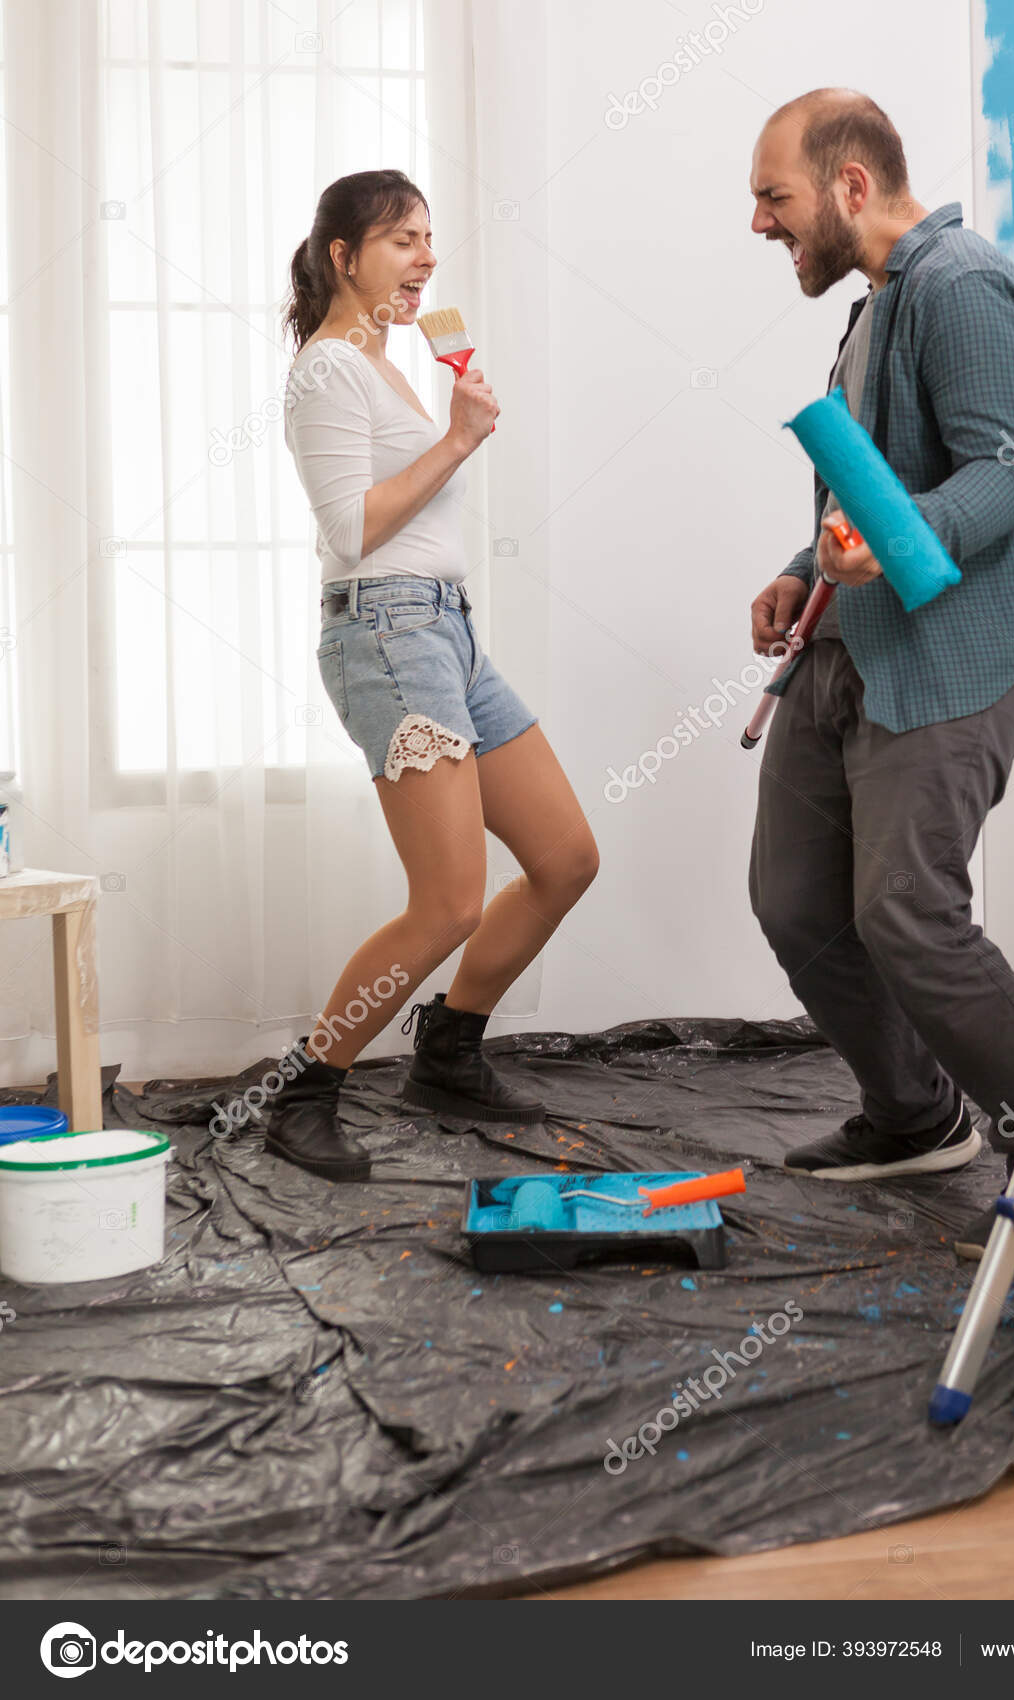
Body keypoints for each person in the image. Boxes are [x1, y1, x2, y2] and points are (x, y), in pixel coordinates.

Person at [745, 91, 1014, 1259]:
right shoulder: (876, 303)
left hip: (947, 664)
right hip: (843, 652)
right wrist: (800, 568)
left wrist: (897, 532)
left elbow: (1003, 479)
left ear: (850, 184)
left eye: (773, 197)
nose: (759, 224)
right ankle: (915, 1118)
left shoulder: (960, 286)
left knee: (909, 914)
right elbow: (866, 491)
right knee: (796, 902)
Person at [272, 169, 598, 1181]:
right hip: (386, 631)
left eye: (428, 239)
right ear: (342, 256)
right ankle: (304, 1092)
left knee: (564, 857)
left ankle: (448, 1054)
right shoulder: (328, 370)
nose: (426, 258)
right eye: (402, 240)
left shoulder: (389, 363)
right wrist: (457, 440)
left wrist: (452, 424)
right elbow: (351, 528)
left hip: (447, 629)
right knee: (449, 900)